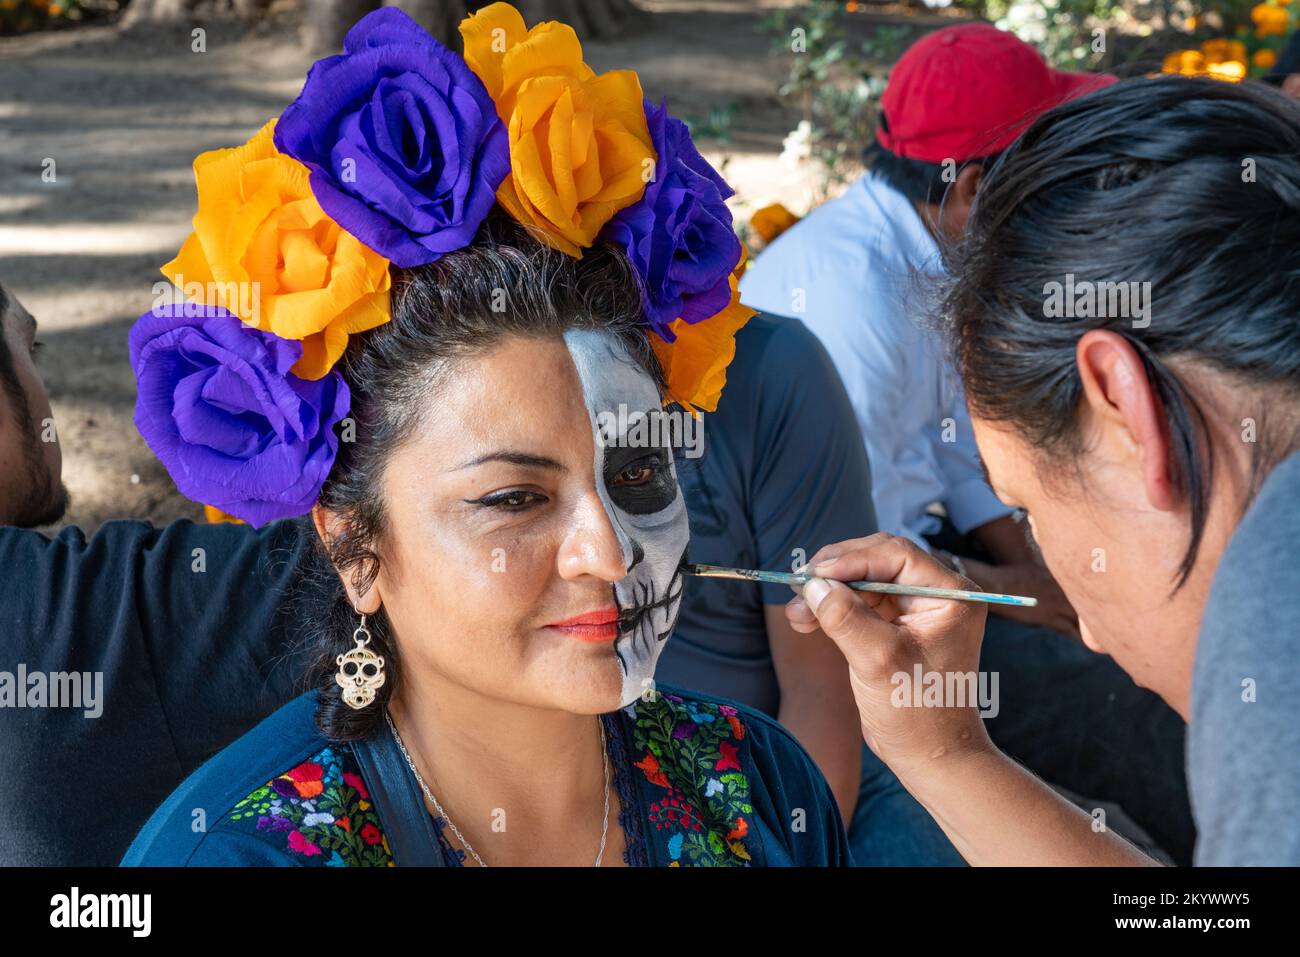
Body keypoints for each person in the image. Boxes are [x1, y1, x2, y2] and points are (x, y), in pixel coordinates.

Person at [123, 4, 849, 867]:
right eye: (514, 497)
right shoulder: (242, 858)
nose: (610, 554)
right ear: (356, 548)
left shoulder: (757, 783)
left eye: (641, 470)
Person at [787, 75, 1300, 865]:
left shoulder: (1276, 634)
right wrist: (945, 753)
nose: (1091, 628)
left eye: (1030, 509)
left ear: (1125, 412)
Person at [739, 23, 1194, 863]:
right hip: (861, 607)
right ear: (975, 186)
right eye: (1045, 166)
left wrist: (1047, 575)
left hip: (934, 551)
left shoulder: (932, 253)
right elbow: (840, 560)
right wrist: (1009, 588)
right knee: (1120, 708)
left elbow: (956, 450)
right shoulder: (849, 300)